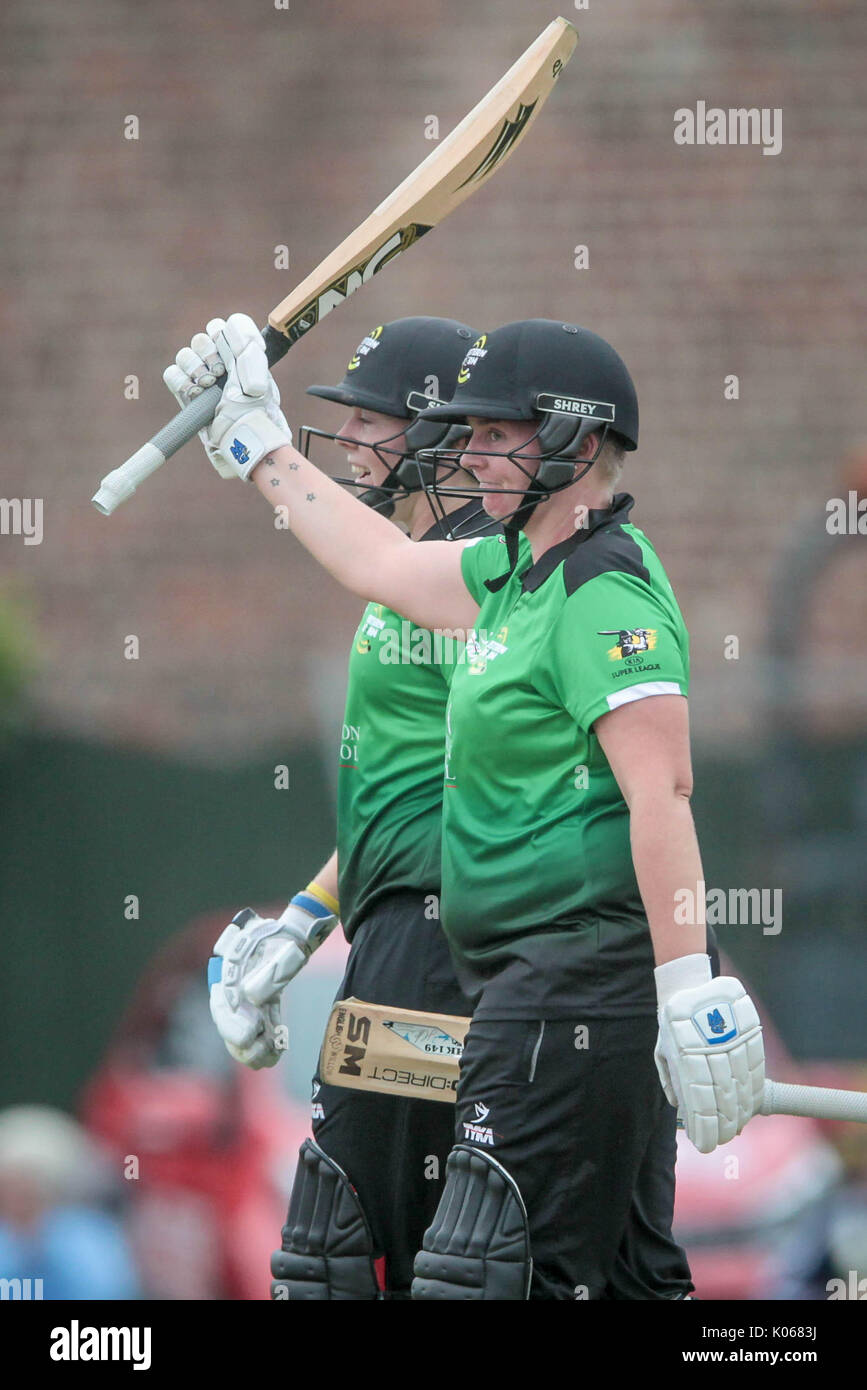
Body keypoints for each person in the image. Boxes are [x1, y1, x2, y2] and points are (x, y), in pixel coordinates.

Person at [169, 312, 765, 1300]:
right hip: (511, 983)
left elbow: (661, 793)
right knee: (475, 1271)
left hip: (581, 978)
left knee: (493, 1276)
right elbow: (381, 565)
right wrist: (257, 444)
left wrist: (687, 986)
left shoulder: (601, 584)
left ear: (575, 437)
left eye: (498, 435)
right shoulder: (508, 573)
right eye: (470, 435)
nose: (474, 454)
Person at [168, 316, 499, 1299]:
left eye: (373, 417)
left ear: (442, 433)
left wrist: (259, 446)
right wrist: (304, 923)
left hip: (460, 951)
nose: (351, 436)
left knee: (422, 1261)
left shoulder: (483, 566)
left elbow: (368, 562)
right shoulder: (419, 561)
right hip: (396, 939)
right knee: (345, 1247)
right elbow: (401, 798)